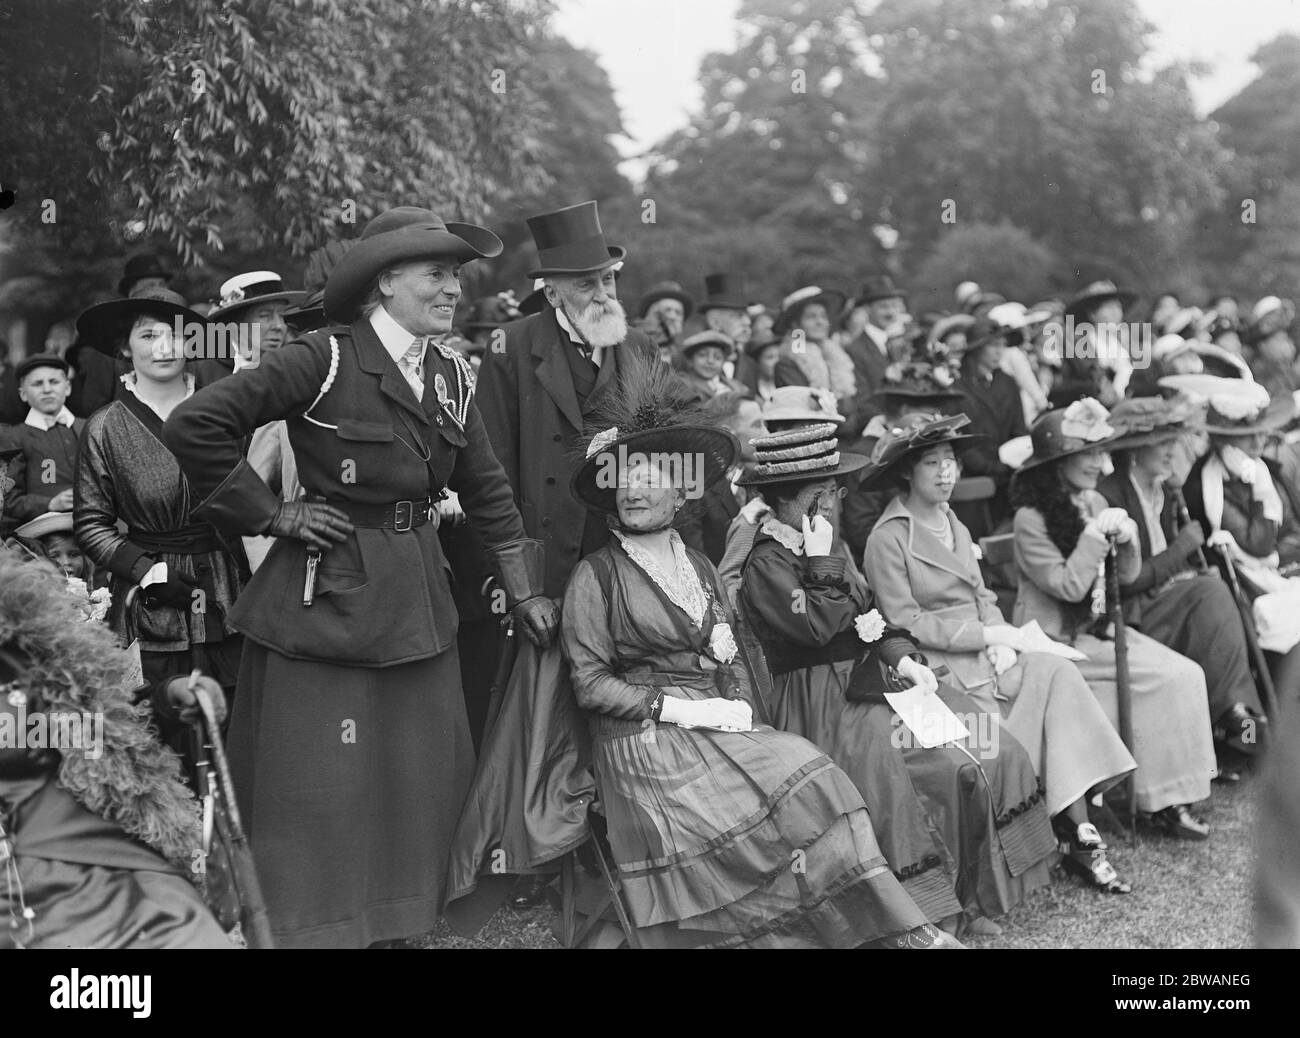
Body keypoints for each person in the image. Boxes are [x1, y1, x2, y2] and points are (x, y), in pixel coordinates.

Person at [162, 205, 559, 948]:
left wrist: (527, 587)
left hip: (417, 595)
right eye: (437, 274)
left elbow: (489, 491)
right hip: (322, 598)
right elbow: (196, 426)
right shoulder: (322, 357)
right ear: (386, 282)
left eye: (457, 277)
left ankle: (400, 918)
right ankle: (313, 924)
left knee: (415, 773)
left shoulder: (452, 374)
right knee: (317, 780)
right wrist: (271, 517)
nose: (453, 291)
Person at [559, 355, 959, 948]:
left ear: (680, 492)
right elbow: (590, 684)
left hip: (720, 723)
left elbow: (733, 654)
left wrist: (739, 706)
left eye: (649, 476)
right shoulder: (595, 576)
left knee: (817, 777)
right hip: (643, 738)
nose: (633, 489)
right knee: (742, 813)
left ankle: (887, 927)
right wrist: (685, 710)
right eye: (623, 477)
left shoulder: (697, 565)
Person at [737, 423, 1058, 934]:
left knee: (979, 746)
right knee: (919, 776)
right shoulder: (767, 562)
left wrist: (906, 660)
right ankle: (918, 916)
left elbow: (872, 617)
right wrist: (820, 558)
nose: (829, 505)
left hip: (870, 679)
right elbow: (816, 628)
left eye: (832, 493)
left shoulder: (830, 548)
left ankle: (965, 901)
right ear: (782, 501)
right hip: (821, 701)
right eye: (817, 496)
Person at [862, 413, 1138, 893]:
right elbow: (905, 621)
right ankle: (1073, 827)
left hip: (989, 654)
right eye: (932, 462)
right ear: (907, 472)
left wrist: (1002, 633)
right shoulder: (888, 538)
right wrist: (983, 637)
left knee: (1057, 672)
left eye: (951, 461)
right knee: (1021, 712)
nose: (946, 472)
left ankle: (1076, 823)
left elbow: (983, 594)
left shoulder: (955, 523)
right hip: (937, 670)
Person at [0, 552, 232, 949]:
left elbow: (105, 726)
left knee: (188, 930)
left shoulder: (24, 647)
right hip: (21, 883)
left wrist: (171, 696)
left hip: (100, 860)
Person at [1009, 399, 1217, 839]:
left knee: (1184, 674)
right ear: (1055, 464)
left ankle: (1168, 797)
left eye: (1096, 452)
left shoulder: (1092, 500)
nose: (1095, 463)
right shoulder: (1030, 518)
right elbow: (1067, 587)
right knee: (1170, 677)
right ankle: (1153, 799)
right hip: (1053, 641)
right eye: (1080, 455)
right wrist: (1091, 537)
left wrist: (1128, 538)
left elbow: (1125, 576)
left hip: (1099, 630)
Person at [72, 290, 245, 774]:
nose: (164, 346)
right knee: (166, 739)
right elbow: (91, 524)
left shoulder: (225, 411)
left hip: (230, 592)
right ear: (126, 348)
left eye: (176, 334)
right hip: (155, 605)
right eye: (149, 335)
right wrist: (148, 573)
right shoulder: (106, 427)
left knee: (238, 733)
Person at [475, 200, 658, 602]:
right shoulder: (511, 347)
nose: (603, 295)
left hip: (625, 549)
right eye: (585, 285)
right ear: (554, 294)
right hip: (546, 558)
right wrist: (519, 586)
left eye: (607, 280)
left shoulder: (641, 346)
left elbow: (668, 442)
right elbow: (491, 470)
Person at [1100, 397, 1268, 780]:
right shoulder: (1110, 496)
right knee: (1210, 595)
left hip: (1170, 606)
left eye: (1173, 442)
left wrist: (1186, 561)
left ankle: (1238, 725)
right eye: (1162, 444)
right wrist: (1181, 551)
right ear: (1134, 451)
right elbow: (1123, 584)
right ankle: (1241, 726)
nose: (1172, 451)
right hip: (1131, 616)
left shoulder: (1164, 492)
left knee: (1216, 596)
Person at [1182, 378, 1300, 693]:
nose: (1260, 441)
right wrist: (1255, 490)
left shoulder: (1264, 470)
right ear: (1225, 441)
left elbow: (1293, 534)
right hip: (1243, 585)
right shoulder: (1205, 485)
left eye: (1262, 432)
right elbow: (1258, 544)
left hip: (1282, 570)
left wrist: (1280, 558)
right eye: (1248, 436)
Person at [954, 313, 1030, 535]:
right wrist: (991, 467)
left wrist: (1015, 463)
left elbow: (1019, 429)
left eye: (1002, 345)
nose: (999, 351)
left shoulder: (1007, 382)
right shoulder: (958, 388)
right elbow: (961, 441)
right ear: (977, 349)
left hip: (1009, 477)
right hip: (975, 480)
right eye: (993, 345)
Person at [676, 391, 764, 565]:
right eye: (757, 425)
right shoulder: (693, 483)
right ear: (728, 433)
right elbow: (695, 559)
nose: (766, 433)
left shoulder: (757, 475)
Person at [1, 353, 84, 532]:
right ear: (23, 394)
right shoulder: (14, 437)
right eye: (37, 384)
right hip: (41, 533)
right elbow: (7, 497)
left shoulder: (90, 426)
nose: (47, 389)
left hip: (94, 527)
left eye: (54, 382)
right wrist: (50, 503)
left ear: (67, 387)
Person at [841, 273, 911, 436]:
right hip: (879, 432)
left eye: (894, 306)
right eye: (883, 307)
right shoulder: (855, 349)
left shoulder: (902, 342)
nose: (890, 312)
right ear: (867, 309)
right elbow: (861, 400)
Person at [1051, 279, 1138, 407]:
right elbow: (1093, 380)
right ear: (1092, 314)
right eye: (1108, 307)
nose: (1115, 313)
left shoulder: (1122, 344)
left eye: (1118, 307)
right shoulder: (1080, 342)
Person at [676, 329, 749, 402]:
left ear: (724, 361)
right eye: (702, 355)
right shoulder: (681, 384)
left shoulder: (736, 385)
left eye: (718, 357)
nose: (710, 361)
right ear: (690, 360)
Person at [635, 280, 693, 361]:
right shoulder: (634, 341)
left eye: (678, 312)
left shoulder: (682, 352)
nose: (673, 317)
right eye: (668, 310)